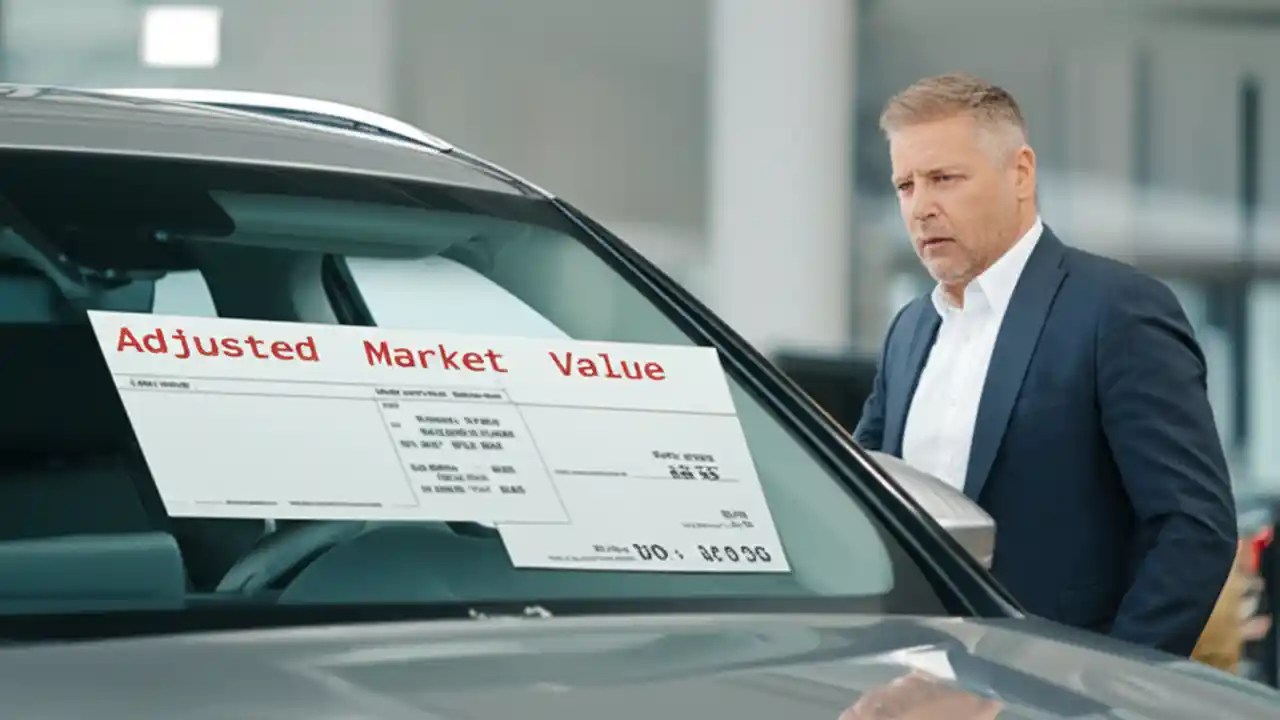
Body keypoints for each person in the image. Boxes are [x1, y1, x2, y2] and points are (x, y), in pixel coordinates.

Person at [853, 72, 1238, 658]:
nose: (921, 207)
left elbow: (1193, 528)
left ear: (1021, 174)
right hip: (913, 682)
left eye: (944, 179)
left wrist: (1106, 686)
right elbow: (862, 501)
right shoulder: (909, 329)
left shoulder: (1115, 309)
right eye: (905, 185)